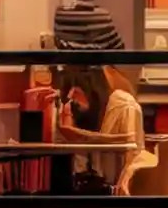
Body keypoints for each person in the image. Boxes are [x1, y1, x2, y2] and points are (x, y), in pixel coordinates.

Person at [56, 65, 155, 194]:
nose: (71, 97)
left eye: (77, 92)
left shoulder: (122, 104)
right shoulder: (75, 111)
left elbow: (132, 152)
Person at [54, 0, 125, 50]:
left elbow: (58, 43)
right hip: (96, 60)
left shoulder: (60, 14)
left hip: (67, 60)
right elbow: (118, 46)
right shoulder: (103, 16)